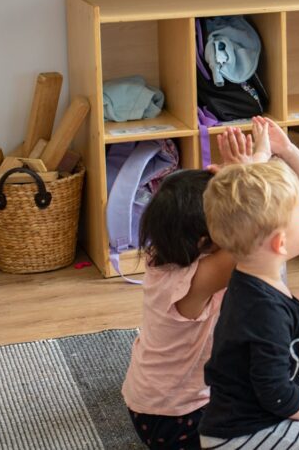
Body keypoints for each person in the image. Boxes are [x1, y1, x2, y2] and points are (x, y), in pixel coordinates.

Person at [121, 121, 277, 449]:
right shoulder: (197, 279)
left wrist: (233, 174)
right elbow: (256, 235)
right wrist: (256, 165)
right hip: (174, 419)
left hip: (152, 403)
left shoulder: (167, 251)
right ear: (205, 241)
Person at [198, 159, 299, 449]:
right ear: (280, 243)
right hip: (243, 433)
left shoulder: (252, 279)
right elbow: (275, 391)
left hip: (256, 417)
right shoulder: (264, 311)